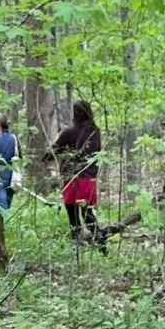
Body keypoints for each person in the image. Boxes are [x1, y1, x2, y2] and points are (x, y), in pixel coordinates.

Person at [52, 99, 105, 250]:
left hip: (71, 177)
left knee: (72, 213)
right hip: (89, 178)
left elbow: (52, 151)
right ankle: (100, 241)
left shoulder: (68, 132)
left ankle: (77, 244)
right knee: (88, 212)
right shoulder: (95, 132)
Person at [0, 112, 19, 212]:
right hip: (11, 177)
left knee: (3, 209)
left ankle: (7, 227)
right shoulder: (13, 138)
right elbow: (19, 157)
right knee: (7, 205)